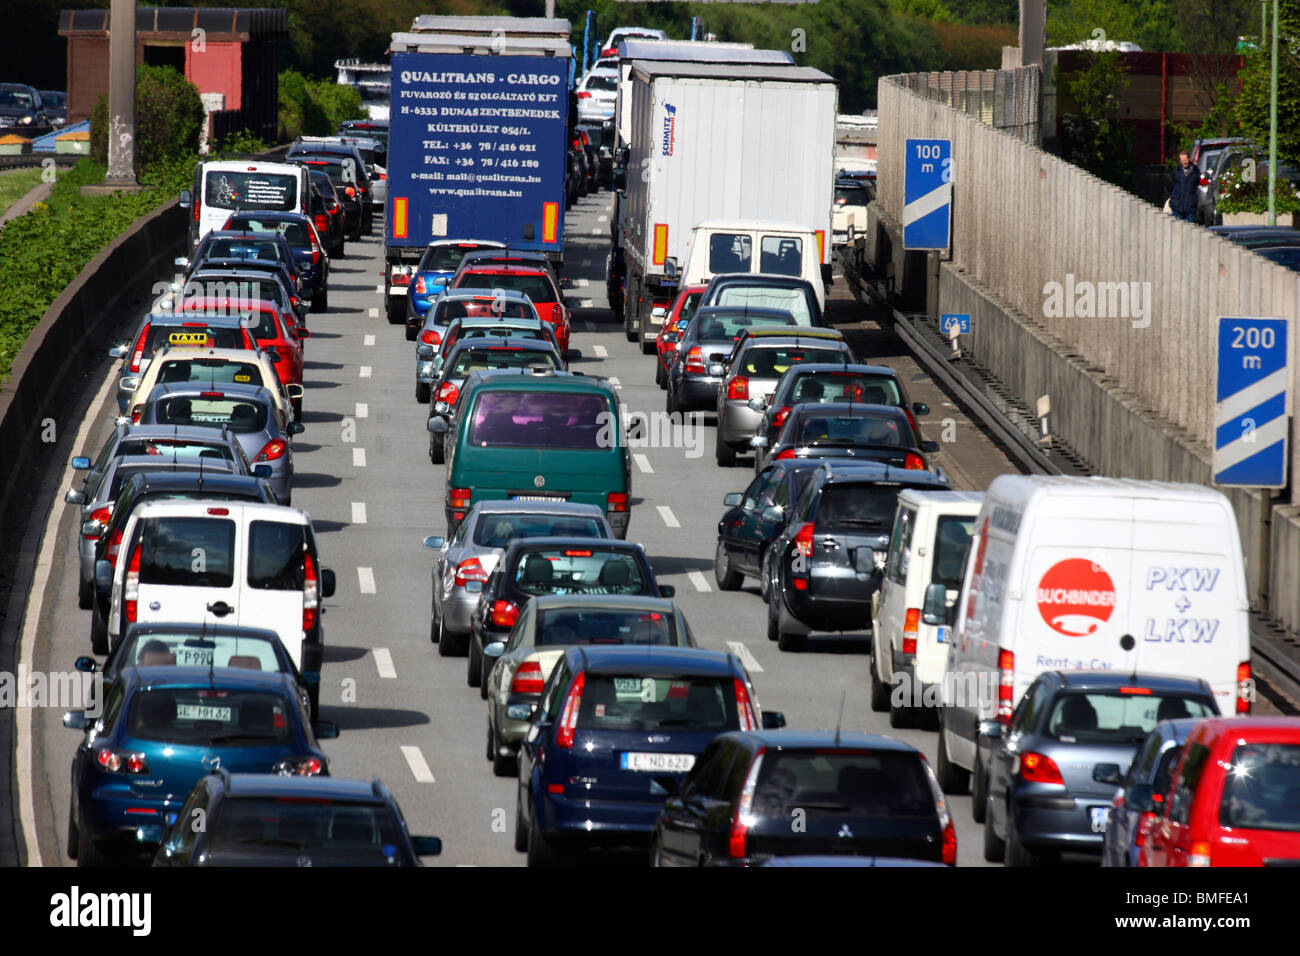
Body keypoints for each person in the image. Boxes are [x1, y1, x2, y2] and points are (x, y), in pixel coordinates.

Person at [1169, 150, 1200, 223]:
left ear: (1189, 159)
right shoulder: (1176, 171)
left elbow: (1197, 184)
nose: (1184, 162)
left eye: (1185, 160)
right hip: (1177, 206)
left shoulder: (1195, 171)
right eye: (1182, 160)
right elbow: (1171, 185)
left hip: (1190, 207)